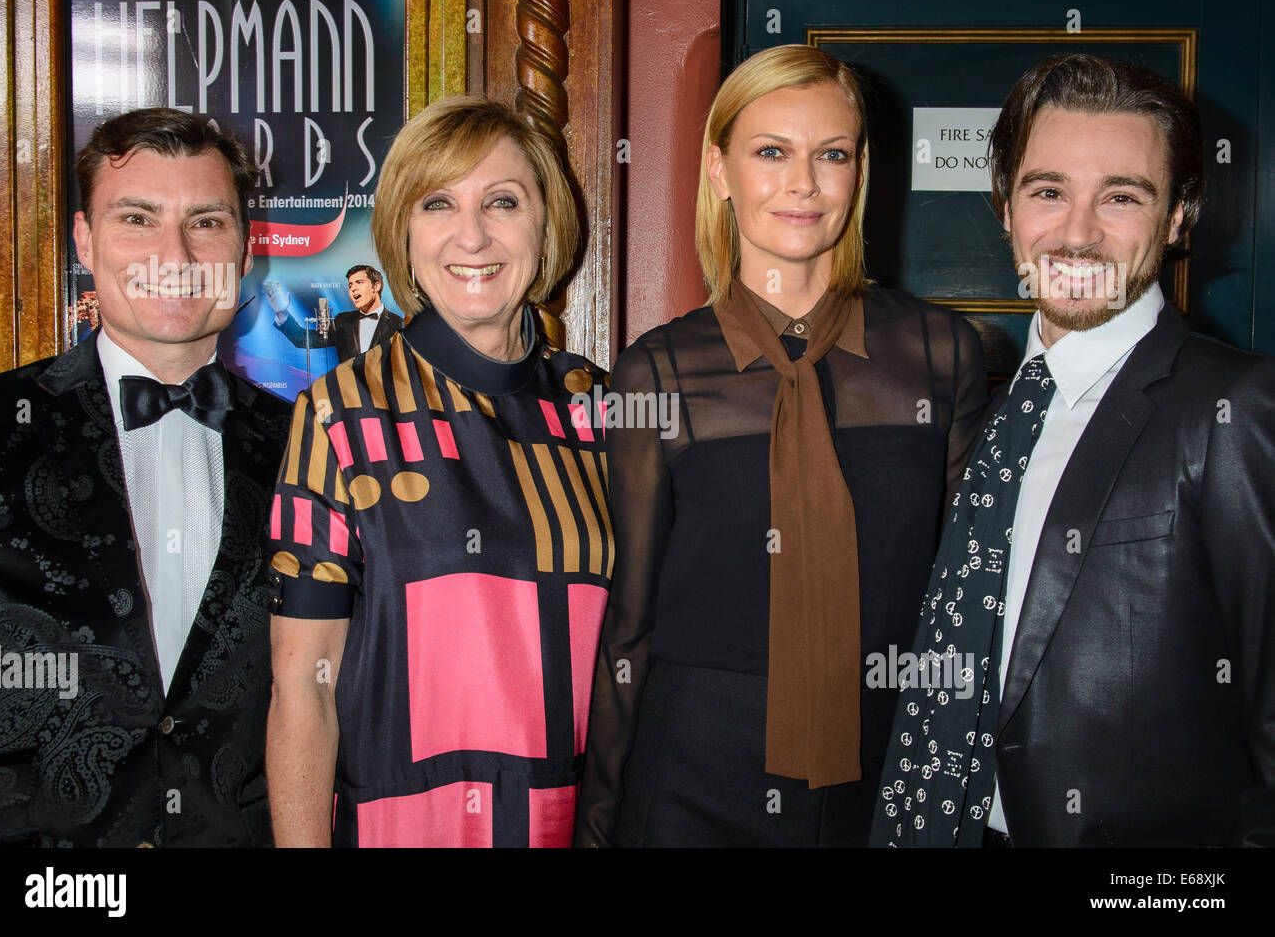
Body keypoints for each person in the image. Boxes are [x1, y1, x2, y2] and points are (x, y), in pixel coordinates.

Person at [575, 44, 989, 847]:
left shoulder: (940, 353)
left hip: (886, 772)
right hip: (690, 773)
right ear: (720, 169)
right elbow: (630, 621)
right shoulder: (657, 368)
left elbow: (965, 601)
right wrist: (600, 821)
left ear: (859, 173)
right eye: (771, 152)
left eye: (831, 154)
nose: (803, 184)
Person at [872, 54, 1275, 848]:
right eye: (1049, 191)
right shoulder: (986, 409)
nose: (1079, 233)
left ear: (1180, 216)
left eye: (1122, 197)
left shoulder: (1236, 408)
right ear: (1005, 206)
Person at [265, 95, 610, 847]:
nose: (473, 234)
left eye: (504, 201)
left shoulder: (601, 409)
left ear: (546, 224)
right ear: (403, 231)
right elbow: (302, 689)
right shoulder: (339, 414)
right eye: (439, 202)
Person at [0, 108, 291, 846]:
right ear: (85, 240)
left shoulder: (313, 446)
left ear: (246, 247)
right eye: (138, 218)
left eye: (207, 221)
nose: (174, 254)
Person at [267, 264, 405, 362]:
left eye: (359, 282)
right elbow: (304, 340)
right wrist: (282, 313)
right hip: (348, 396)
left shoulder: (398, 323)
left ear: (376, 286)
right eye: (350, 285)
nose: (353, 289)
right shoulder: (343, 320)